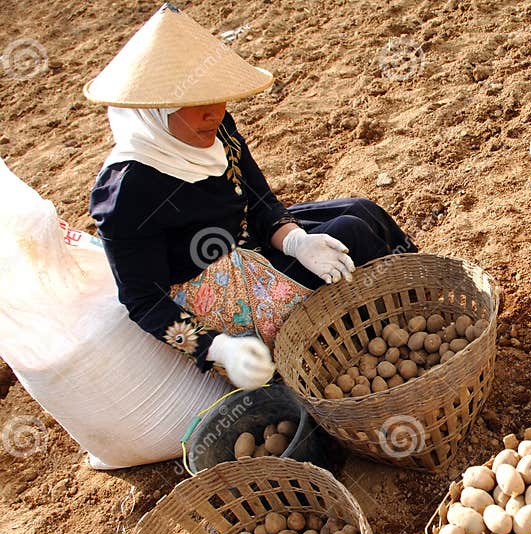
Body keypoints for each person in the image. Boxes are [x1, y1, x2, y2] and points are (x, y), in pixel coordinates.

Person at [85, 3, 415, 390]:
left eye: (217, 98)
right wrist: (218, 348)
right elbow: (143, 301)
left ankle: (417, 302)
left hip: (249, 240)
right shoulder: (128, 192)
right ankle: (395, 327)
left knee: (362, 211)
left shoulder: (216, 125)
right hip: (211, 286)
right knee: (352, 234)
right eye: (194, 106)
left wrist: (295, 241)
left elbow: (257, 198)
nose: (214, 113)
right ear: (154, 111)